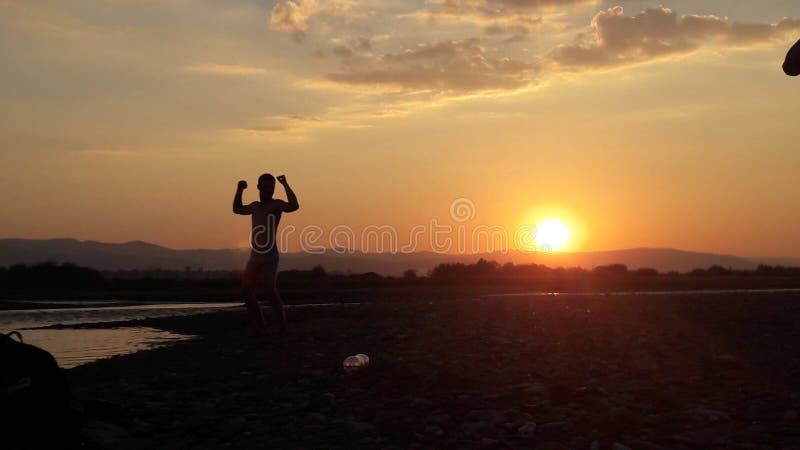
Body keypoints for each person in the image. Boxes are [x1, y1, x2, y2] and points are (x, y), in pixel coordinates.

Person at [233, 173, 299, 335]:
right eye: (265, 186)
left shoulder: (276, 204)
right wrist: (239, 189)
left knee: (269, 289)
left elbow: (294, 206)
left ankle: (282, 325)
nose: (268, 189)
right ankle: (260, 325)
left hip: (270, 254)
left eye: (271, 187)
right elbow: (237, 209)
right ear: (259, 187)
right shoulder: (255, 206)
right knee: (246, 291)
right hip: (255, 256)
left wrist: (285, 184)